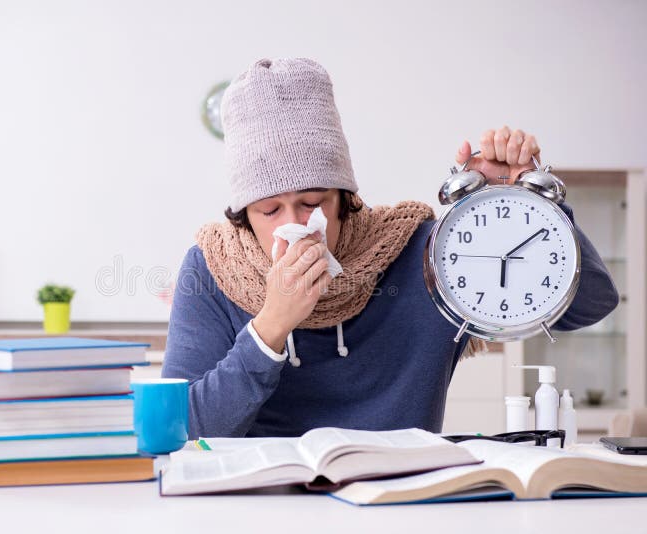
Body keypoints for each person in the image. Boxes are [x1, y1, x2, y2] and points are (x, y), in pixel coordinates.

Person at [162, 57, 618, 439]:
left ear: (344, 198)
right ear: (243, 214)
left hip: (398, 507)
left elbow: (592, 302)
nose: (294, 226)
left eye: (312, 203)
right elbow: (184, 431)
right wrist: (271, 328)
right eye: (269, 211)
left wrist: (523, 200)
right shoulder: (212, 268)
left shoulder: (425, 254)